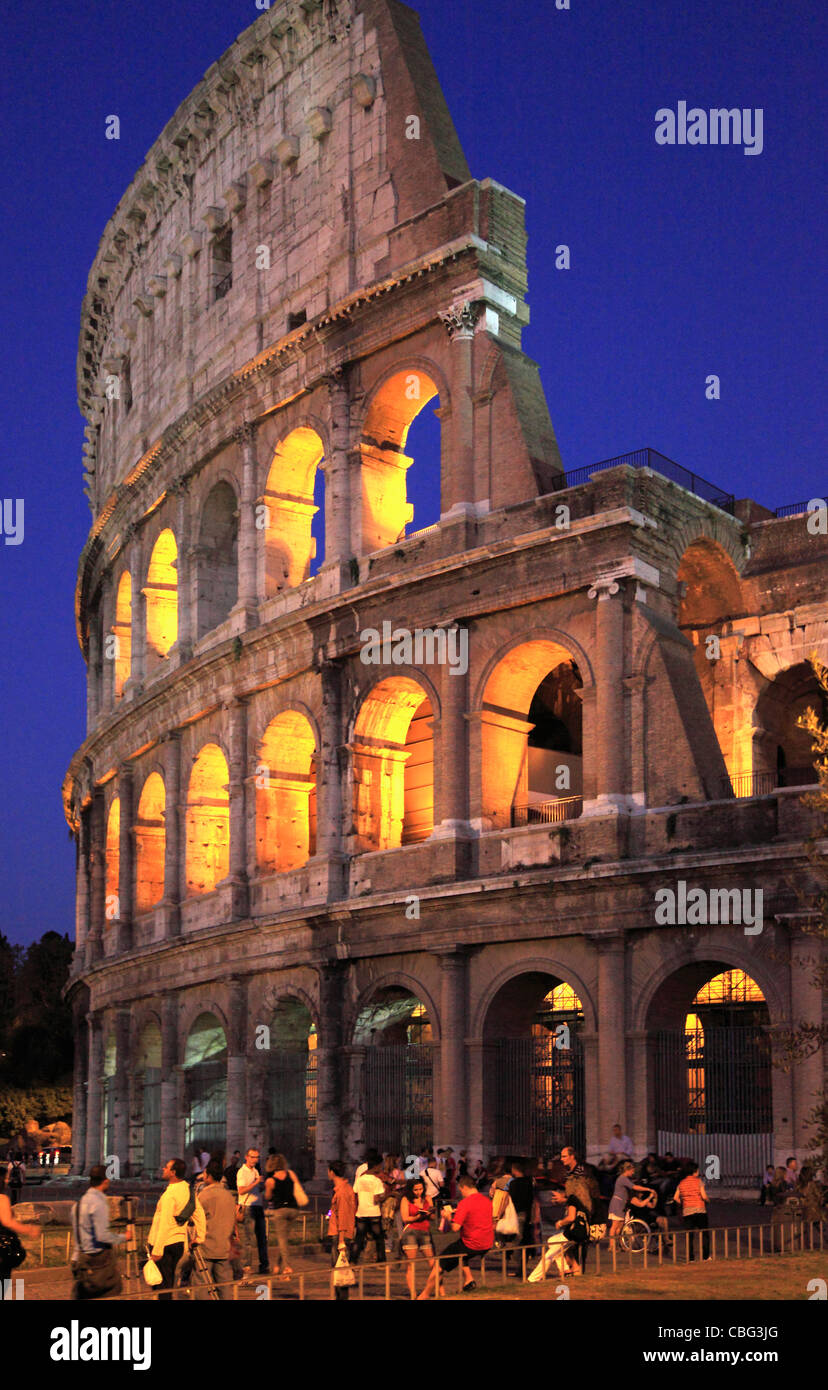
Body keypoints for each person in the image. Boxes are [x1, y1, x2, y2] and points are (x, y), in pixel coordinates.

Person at [419, 1173, 494, 1298]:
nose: (461, 1193)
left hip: (471, 1244)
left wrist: (448, 1217)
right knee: (461, 1252)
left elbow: (455, 1228)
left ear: (464, 1187)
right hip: (487, 1242)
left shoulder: (465, 1203)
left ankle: (424, 1294)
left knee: (440, 1263)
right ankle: (469, 1279)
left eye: (460, 1190)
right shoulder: (486, 1200)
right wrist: (458, 1213)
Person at [148, 1157, 203, 1298]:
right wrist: (200, 1236)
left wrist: (157, 1250)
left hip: (165, 1244)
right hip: (178, 1243)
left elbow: (165, 1223)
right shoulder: (187, 1189)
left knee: (162, 1287)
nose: (163, 1169)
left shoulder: (170, 1195)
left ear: (173, 1172)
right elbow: (198, 1212)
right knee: (169, 1282)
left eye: (166, 1167)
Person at [70, 1164, 125, 1300]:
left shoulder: (78, 1204)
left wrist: (76, 1258)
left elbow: (77, 1235)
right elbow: (102, 1236)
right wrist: (123, 1237)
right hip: (98, 1261)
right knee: (112, 1290)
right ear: (105, 1181)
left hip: (80, 1258)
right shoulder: (99, 1203)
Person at [195, 1160, 238, 1299]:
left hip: (206, 1247)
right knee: (224, 1287)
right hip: (224, 1247)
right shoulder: (229, 1196)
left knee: (202, 1286)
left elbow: (196, 1219)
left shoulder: (204, 1196)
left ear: (208, 1176)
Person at [0, 1169, 39, 1297]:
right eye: (5, 1178)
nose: (7, 1180)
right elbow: (7, 1222)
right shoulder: (2, 1199)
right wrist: (29, 1229)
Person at [264, 1153, 299, 1279]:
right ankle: (277, 1266)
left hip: (280, 1210)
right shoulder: (291, 1174)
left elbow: (268, 1197)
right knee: (283, 1239)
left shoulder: (270, 1180)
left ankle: (287, 1268)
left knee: (282, 1240)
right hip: (293, 1209)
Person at [399, 1175, 435, 1298]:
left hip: (425, 1231)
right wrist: (418, 1217)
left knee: (433, 1263)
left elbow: (433, 1217)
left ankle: (435, 1290)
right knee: (411, 1264)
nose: (419, 1192)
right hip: (411, 1231)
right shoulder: (406, 1199)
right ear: (411, 1189)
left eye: (421, 1189)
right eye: (416, 1190)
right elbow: (405, 1218)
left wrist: (430, 1213)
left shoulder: (427, 1198)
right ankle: (413, 1293)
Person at [236, 1147, 269, 1277]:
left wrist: (262, 1185)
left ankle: (264, 1265)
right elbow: (241, 1191)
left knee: (262, 1237)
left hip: (258, 1206)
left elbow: (257, 1189)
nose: (255, 1160)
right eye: (252, 1157)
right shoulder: (242, 1172)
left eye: (257, 1157)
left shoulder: (255, 1171)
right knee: (247, 1239)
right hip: (247, 1207)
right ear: (246, 1157)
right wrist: (256, 1183)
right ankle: (246, 1267)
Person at [608, 1160, 655, 1250]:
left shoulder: (625, 1179)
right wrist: (648, 1189)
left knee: (620, 1226)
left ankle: (619, 1244)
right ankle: (611, 1246)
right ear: (628, 1170)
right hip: (617, 1203)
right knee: (615, 1226)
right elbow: (635, 1187)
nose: (633, 1173)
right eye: (632, 1171)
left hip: (622, 1204)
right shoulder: (622, 1178)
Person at [328, 1160, 356, 1301]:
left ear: (332, 1172)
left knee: (340, 1271)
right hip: (342, 1233)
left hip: (340, 1235)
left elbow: (343, 1216)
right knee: (340, 1271)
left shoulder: (342, 1192)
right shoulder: (345, 1189)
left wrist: (341, 1241)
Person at [352, 1157, 386, 1264]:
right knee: (379, 1238)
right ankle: (381, 1260)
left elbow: (355, 1193)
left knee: (359, 1238)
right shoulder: (376, 1181)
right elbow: (377, 1199)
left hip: (361, 1212)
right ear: (376, 1166)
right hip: (374, 1212)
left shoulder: (360, 1180)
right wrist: (386, 1196)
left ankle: (353, 1259)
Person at [675, 1163, 710, 1261]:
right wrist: (708, 1201)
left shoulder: (681, 1183)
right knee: (704, 1234)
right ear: (695, 1171)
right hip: (700, 1210)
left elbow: (675, 1197)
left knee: (689, 1236)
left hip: (687, 1211)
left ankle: (691, 1258)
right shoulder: (698, 1181)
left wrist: (683, 1203)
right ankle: (706, 1256)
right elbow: (704, 1196)